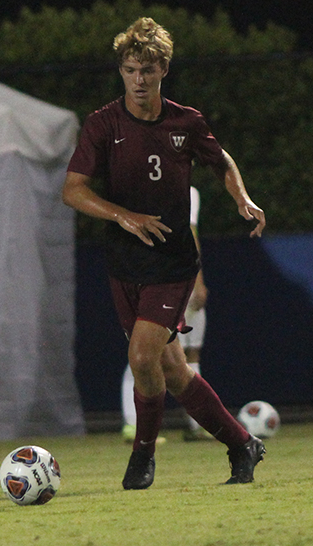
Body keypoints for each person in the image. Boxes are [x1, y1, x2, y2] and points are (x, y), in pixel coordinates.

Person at [61, 17, 267, 490]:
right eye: (131, 70)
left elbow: (222, 161)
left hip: (172, 262)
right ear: (122, 71)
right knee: (173, 370)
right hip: (124, 261)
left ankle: (142, 458)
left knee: (141, 355)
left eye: (148, 70)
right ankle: (242, 445)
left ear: (164, 70)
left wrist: (242, 198)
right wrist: (123, 216)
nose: (139, 79)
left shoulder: (185, 121)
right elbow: (72, 191)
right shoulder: (103, 123)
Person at [121, 186, 213, 443]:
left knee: (191, 351)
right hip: (164, 282)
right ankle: (133, 423)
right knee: (146, 352)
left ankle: (197, 423)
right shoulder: (180, 190)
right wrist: (199, 280)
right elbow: (189, 235)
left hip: (168, 279)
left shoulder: (186, 189)